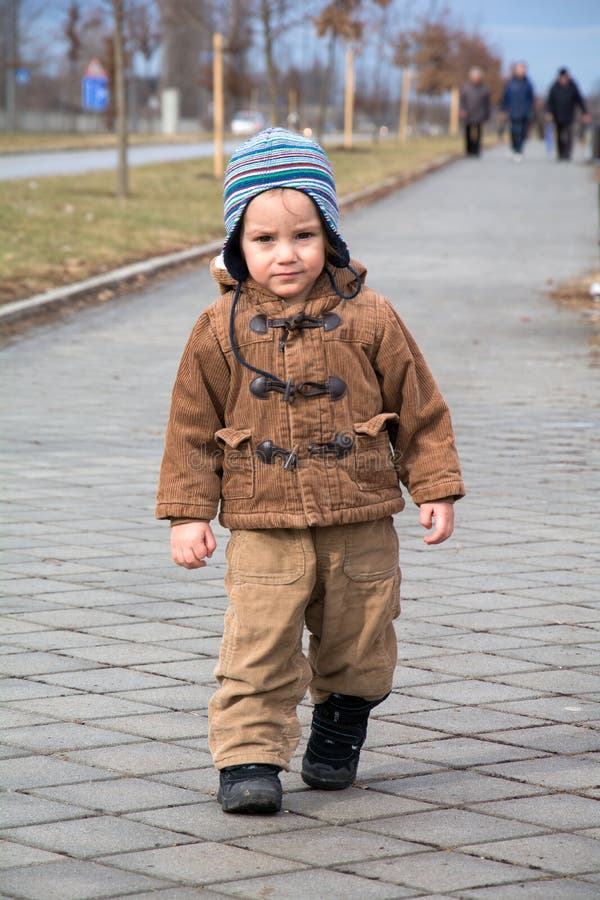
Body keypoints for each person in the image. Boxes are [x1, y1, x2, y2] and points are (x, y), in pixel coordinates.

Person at [156, 128, 465, 815]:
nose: (285, 254)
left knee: (361, 646)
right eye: (263, 240)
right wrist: (186, 513)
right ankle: (248, 759)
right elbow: (190, 430)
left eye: (302, 235)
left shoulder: (371, 316)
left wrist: (435, 486)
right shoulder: (218, 328)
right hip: (264, 528)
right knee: (256, 648)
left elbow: (419, 408)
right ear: (238, 243)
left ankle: (341, 721)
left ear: (329, 235)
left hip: (360, 522)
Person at [545, 67, 590, 161]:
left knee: (569, 134)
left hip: (569, 114)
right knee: (559, 135)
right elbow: (550, 101)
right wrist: (549, 112)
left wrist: (584, 112)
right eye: (562, 78)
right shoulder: (554, 87)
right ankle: (561, 153)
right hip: (557, 115)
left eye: (565, 77)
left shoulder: (573, 86)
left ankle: (567, 153)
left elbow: (579, 100)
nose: (563, 79)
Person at [501, 61, 535, 160]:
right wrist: (504, 109)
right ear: (516, 71)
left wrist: (530, 110)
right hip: (513, 111)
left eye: (522, 69)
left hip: (524, 111)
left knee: (522, 132)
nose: (521, 71)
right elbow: (505, 97)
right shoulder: (510, 83)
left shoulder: (528, 84)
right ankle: (514, 148)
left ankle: (519, 150)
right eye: (519, 69)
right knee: (514, 131)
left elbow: (531, 98)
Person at [459, 67, 491, 157]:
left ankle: (477, 150)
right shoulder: (466, 88)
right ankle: (469, 150)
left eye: (477, 76)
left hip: (479, 113)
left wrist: (487, 114)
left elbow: (487, 103)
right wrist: (462, 110)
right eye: (474, 76)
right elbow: (462, 100)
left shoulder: (484, 89)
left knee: (478, 133)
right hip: (468, 113)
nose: (476, 78)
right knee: (468, 132)